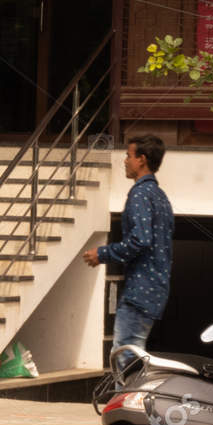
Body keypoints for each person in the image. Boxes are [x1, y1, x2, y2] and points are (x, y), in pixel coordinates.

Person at [83, 135, 173, 355]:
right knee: (132, 354)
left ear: (141, 159)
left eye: (128, 155)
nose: (124, 161)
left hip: (140, 290)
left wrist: (102, 253)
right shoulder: (160, 196)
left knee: (125, 356)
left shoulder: (140, 194)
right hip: (155, 288)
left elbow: (140, 240)